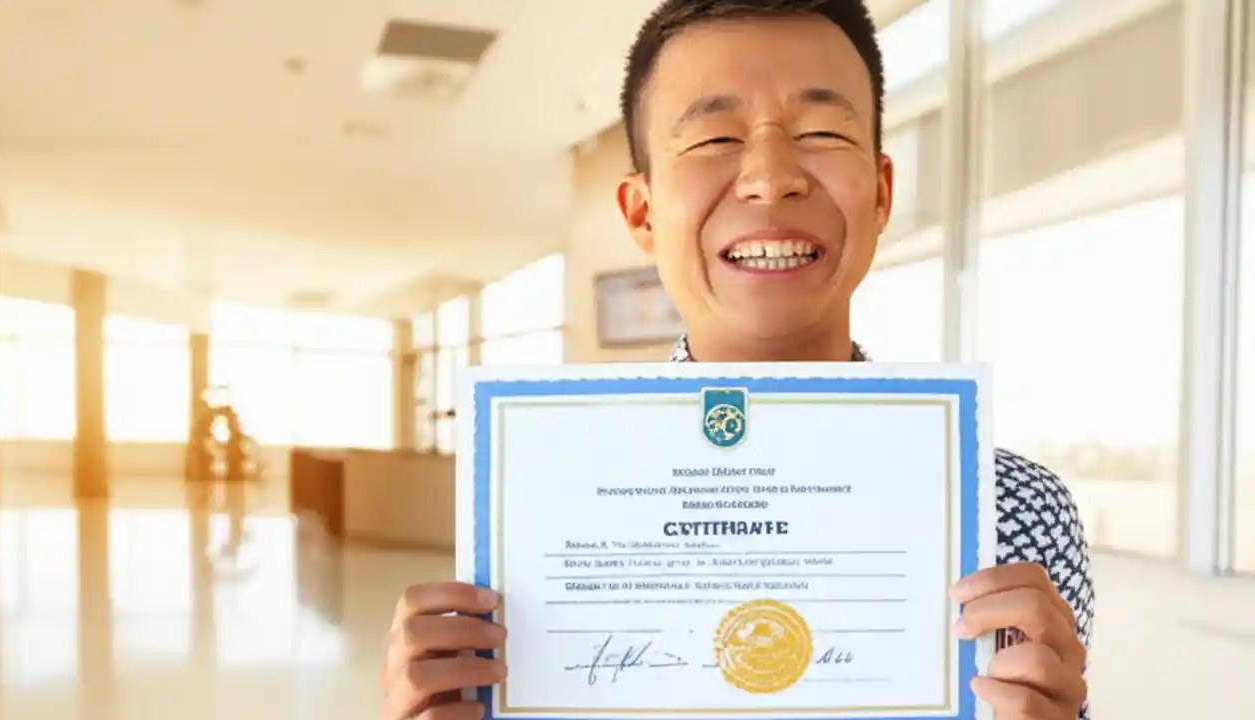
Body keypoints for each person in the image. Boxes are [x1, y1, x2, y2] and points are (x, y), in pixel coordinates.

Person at [378, 2, 1094, 719]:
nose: (769, 177)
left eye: (820, 132)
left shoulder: (1015, 514)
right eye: (715, 137)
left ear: (880, 193)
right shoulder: (537, 501)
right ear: (642, 213)